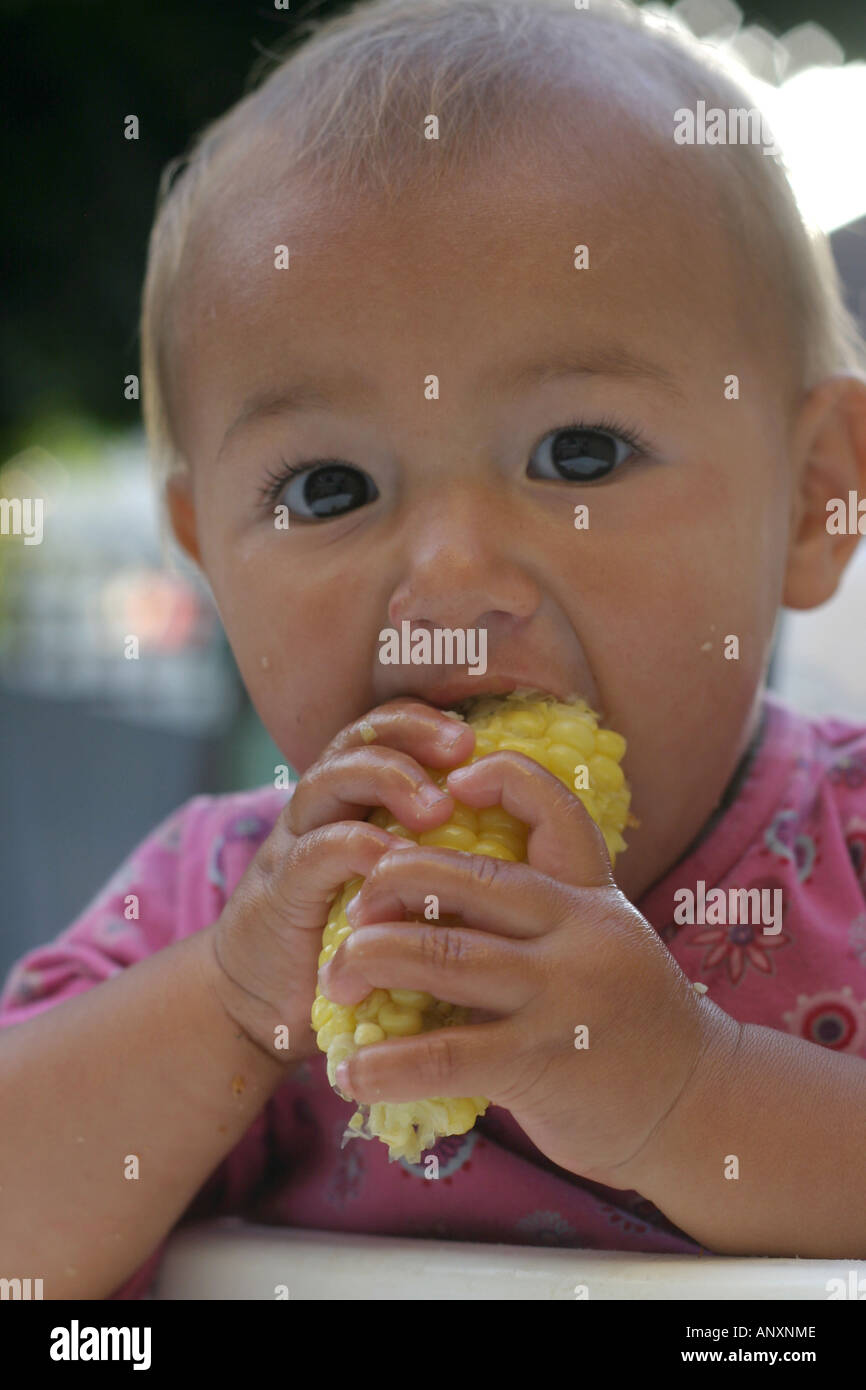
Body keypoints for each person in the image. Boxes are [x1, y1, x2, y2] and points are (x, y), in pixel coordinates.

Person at [3, 0, 866, 1299]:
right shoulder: (220, 903)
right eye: (330, 487)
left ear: (810, 499)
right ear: (207, 556)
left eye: (578, 454)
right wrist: (227, 1009)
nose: (450, 574)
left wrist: (687, 1089)